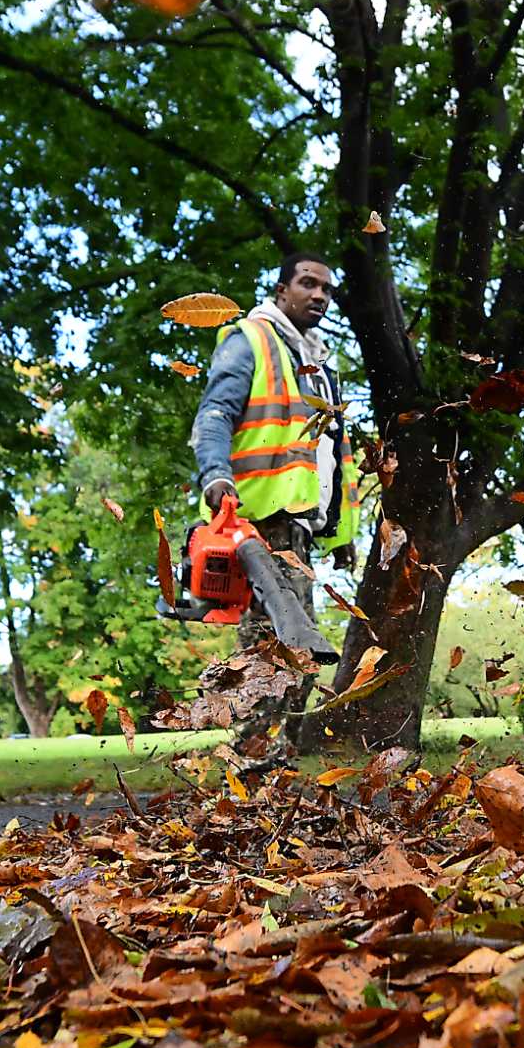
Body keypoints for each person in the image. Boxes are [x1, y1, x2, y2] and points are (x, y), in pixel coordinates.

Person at [189, 252, 363, 759]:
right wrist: (216, 476)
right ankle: (249, 770)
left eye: (327, 290)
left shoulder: (314, 363)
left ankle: (258, 773)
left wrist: (337, 530)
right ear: (282, 289)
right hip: (258, 524)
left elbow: (327, 455)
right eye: (308, 284)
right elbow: (215, 414)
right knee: (280, 654)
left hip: (296, 529)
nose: (319, 296)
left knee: (283, 656)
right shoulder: (253, 342)